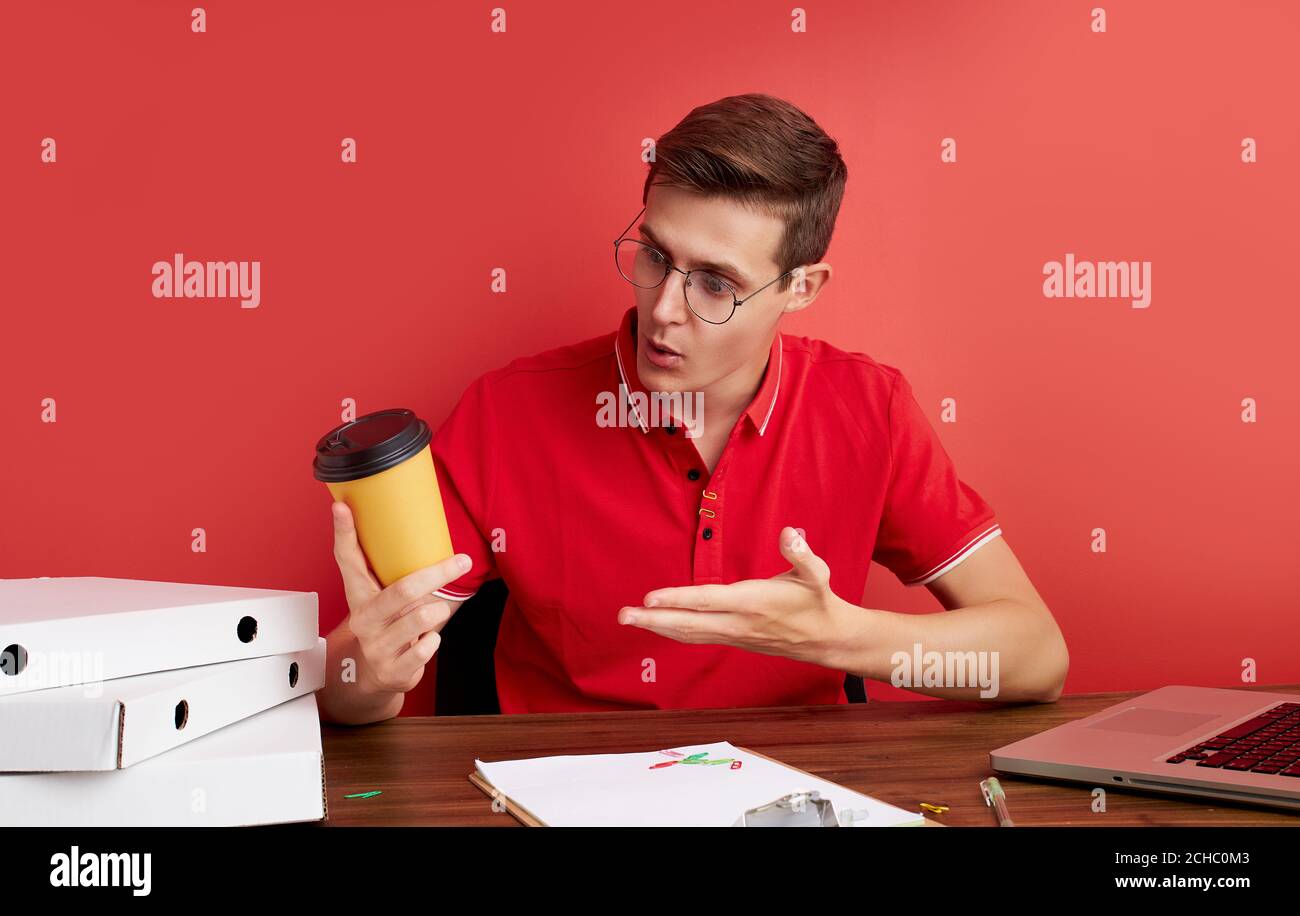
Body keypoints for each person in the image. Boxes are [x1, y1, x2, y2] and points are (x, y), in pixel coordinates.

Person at [319, 93, 1067, 724]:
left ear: (801, 289)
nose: (664, 311)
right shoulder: (507, 411)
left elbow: (1037, 657)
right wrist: (365, 671)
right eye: (654, 256)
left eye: (714, 283)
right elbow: (351, 691)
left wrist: (842, 638)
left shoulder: (869, 408)